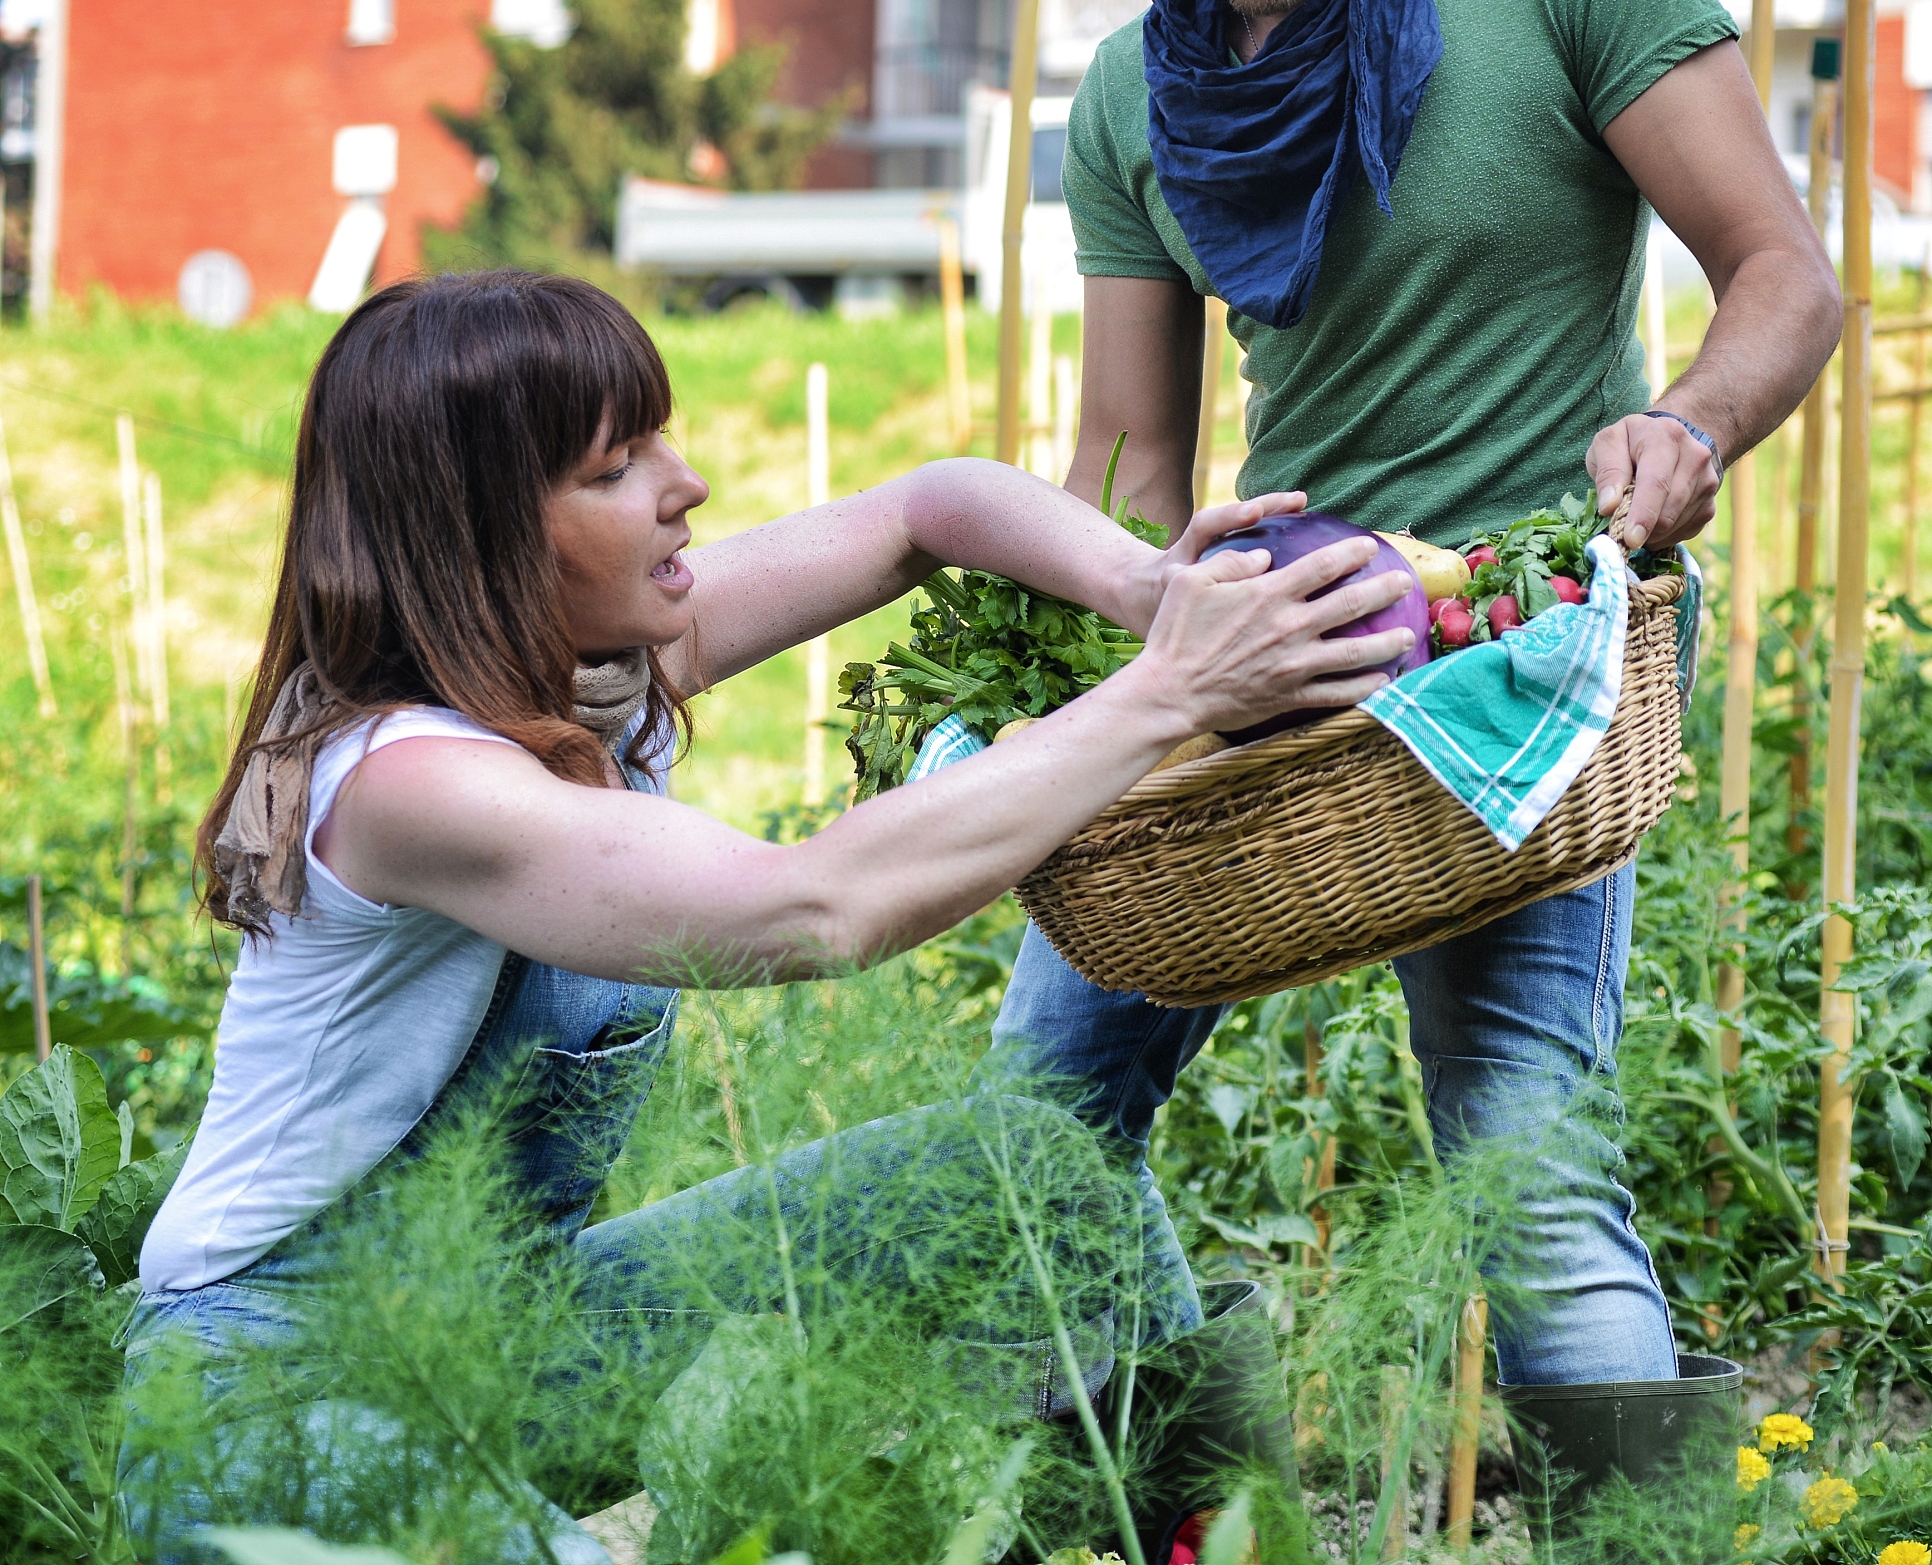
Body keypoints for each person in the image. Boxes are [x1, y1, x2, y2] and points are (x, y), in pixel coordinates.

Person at [119, 268, 1413, 1562]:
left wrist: (1141, 590)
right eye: (616, 468)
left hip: (501, 1339)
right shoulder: (409, 786)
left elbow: (926, 509)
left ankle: (1223, 1541)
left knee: (1037, 1165)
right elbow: (815, 907)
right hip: (269, 1410)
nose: (683, 486)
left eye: (658, 442)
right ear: (485, 534)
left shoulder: (580, 673)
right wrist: (1170, 692)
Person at [977, 0, 1842, 1482]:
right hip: (1267, 650)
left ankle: (1650, 1539)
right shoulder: (1131, 97)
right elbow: (1133, 464)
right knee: (1036, 1127)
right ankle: (1196, 1518)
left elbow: (1784, 274)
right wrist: (1061, 687)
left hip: (1515, 654)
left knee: (1524, 1170)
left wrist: (1690, 428)